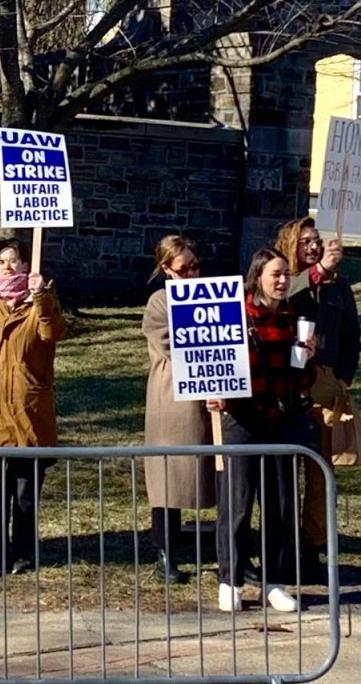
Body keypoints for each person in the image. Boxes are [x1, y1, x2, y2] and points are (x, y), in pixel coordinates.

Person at [207, 247, 316, 614]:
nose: (283, 280)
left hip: (280, 420)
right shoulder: (235, 317)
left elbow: (302, 380)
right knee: (237, 505)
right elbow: (211, 363)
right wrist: (215, 393)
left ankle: (273, 582)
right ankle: (230, 579)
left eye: (286, 273)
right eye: (276, 274)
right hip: (241, 420)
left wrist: (307, 358)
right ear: (258, 277)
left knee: (280, 506)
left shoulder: (294, 319)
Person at [0, 237, 67, 578]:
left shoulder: (39, 303)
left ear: (26, 265)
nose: (6, 267)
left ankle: (23, 553)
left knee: (25, 493)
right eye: (0, 262)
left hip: (28, 414)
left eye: (13, 261)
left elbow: (52, 332)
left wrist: (42, 297)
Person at [276, 217, 361, 582]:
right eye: (305, 242)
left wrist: (342, 376)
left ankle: (312, 550)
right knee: (283, 474)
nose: (313, 247)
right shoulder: (283, 280)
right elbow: (285, 295)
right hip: (287, 386)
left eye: (317, 240)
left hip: (325, 383)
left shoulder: (338, 287)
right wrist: (318, 270)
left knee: (319, 473)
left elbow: (353, 335)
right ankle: (282, 550)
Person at [140, 235, 215, 584]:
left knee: (221, 471)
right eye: (183, 269)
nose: (191, 274)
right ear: (167, 270)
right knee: (168, 476)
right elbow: (171, 342)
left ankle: (233, 549)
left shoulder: (213, 295)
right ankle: (164, 551)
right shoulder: (159, 302)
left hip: (211, 392)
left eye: (195, 266)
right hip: (172, 397)